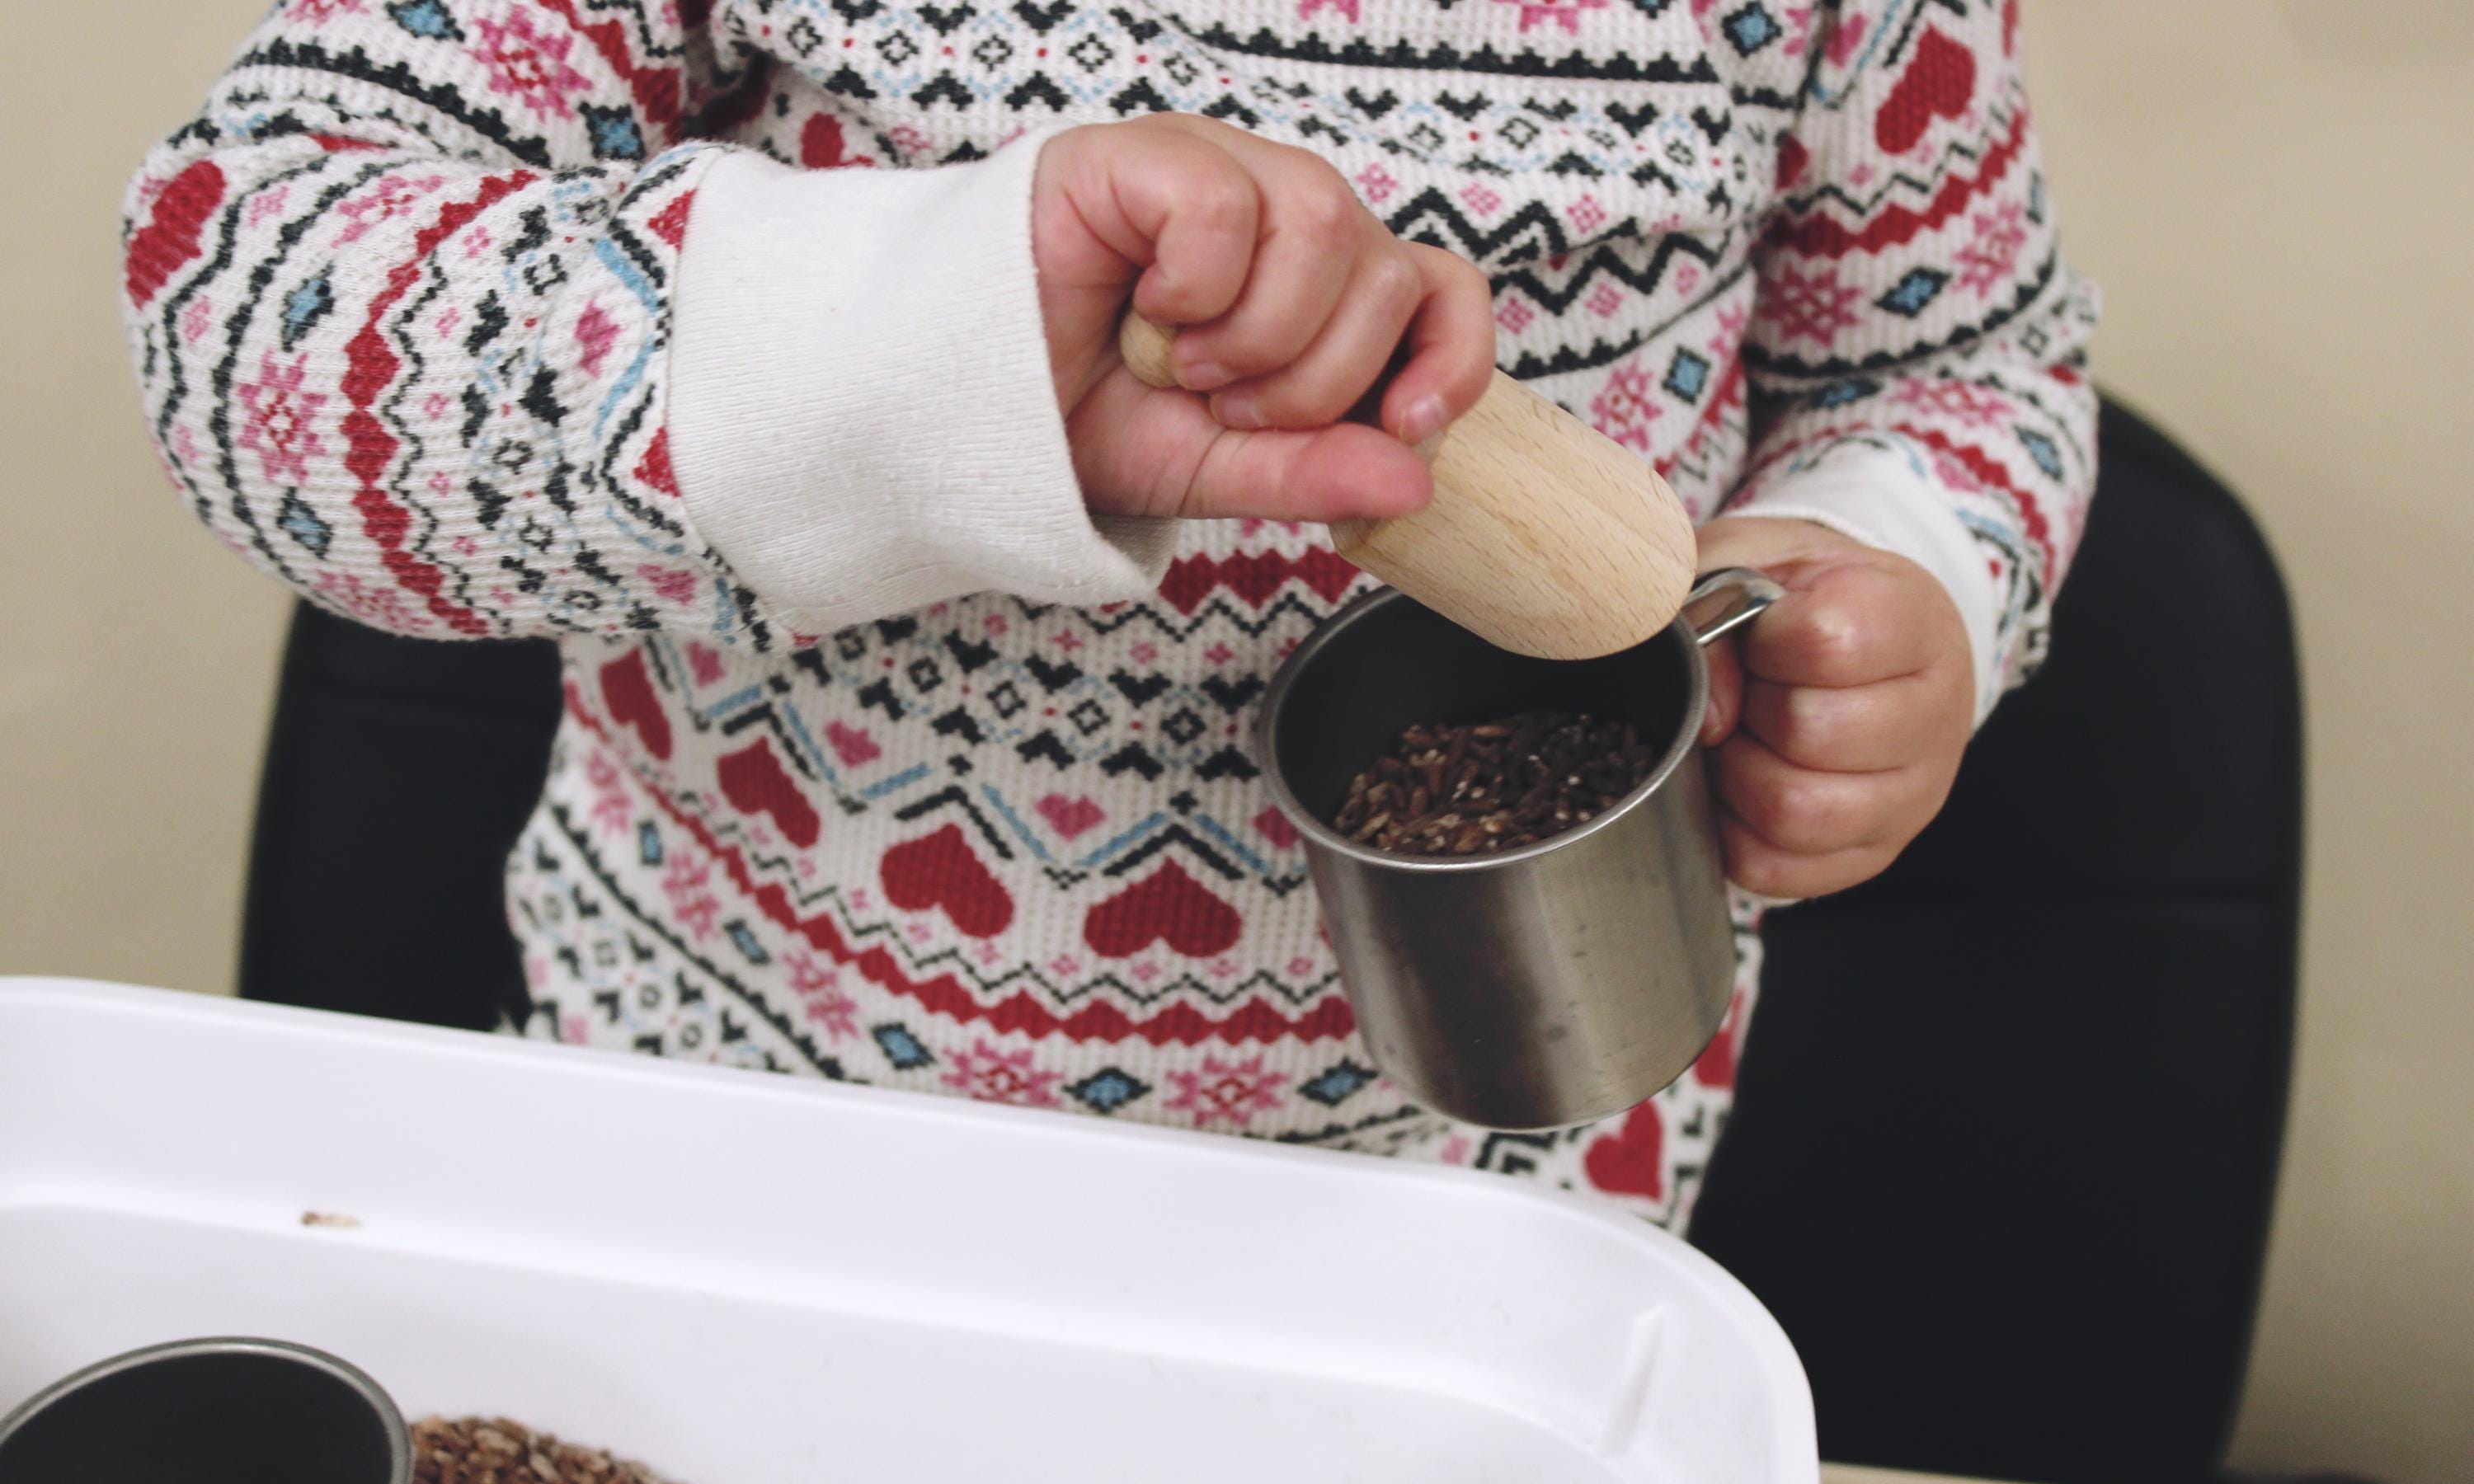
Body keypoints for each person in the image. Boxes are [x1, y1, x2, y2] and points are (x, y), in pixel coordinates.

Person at [123, 0, 2095, 1231]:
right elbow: (248, 316)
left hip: (1489, 1199)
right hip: (738, 1147)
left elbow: (1967, 369)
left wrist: (1900, 558)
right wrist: (929, 338)